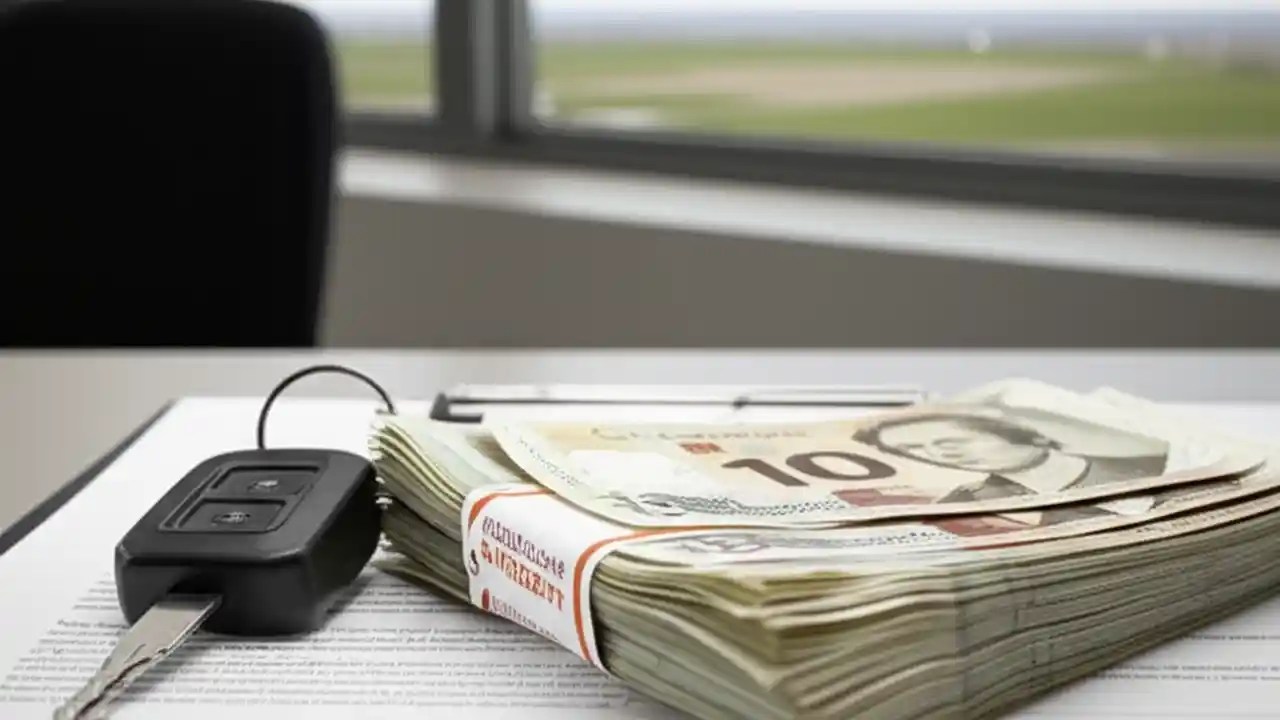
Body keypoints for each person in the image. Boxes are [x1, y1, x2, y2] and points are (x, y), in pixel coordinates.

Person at [851, 412, 1169, 506]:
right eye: (916, 451)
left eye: (951, 440)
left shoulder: (1156, 467)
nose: (939, 454)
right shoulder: (961, 504)